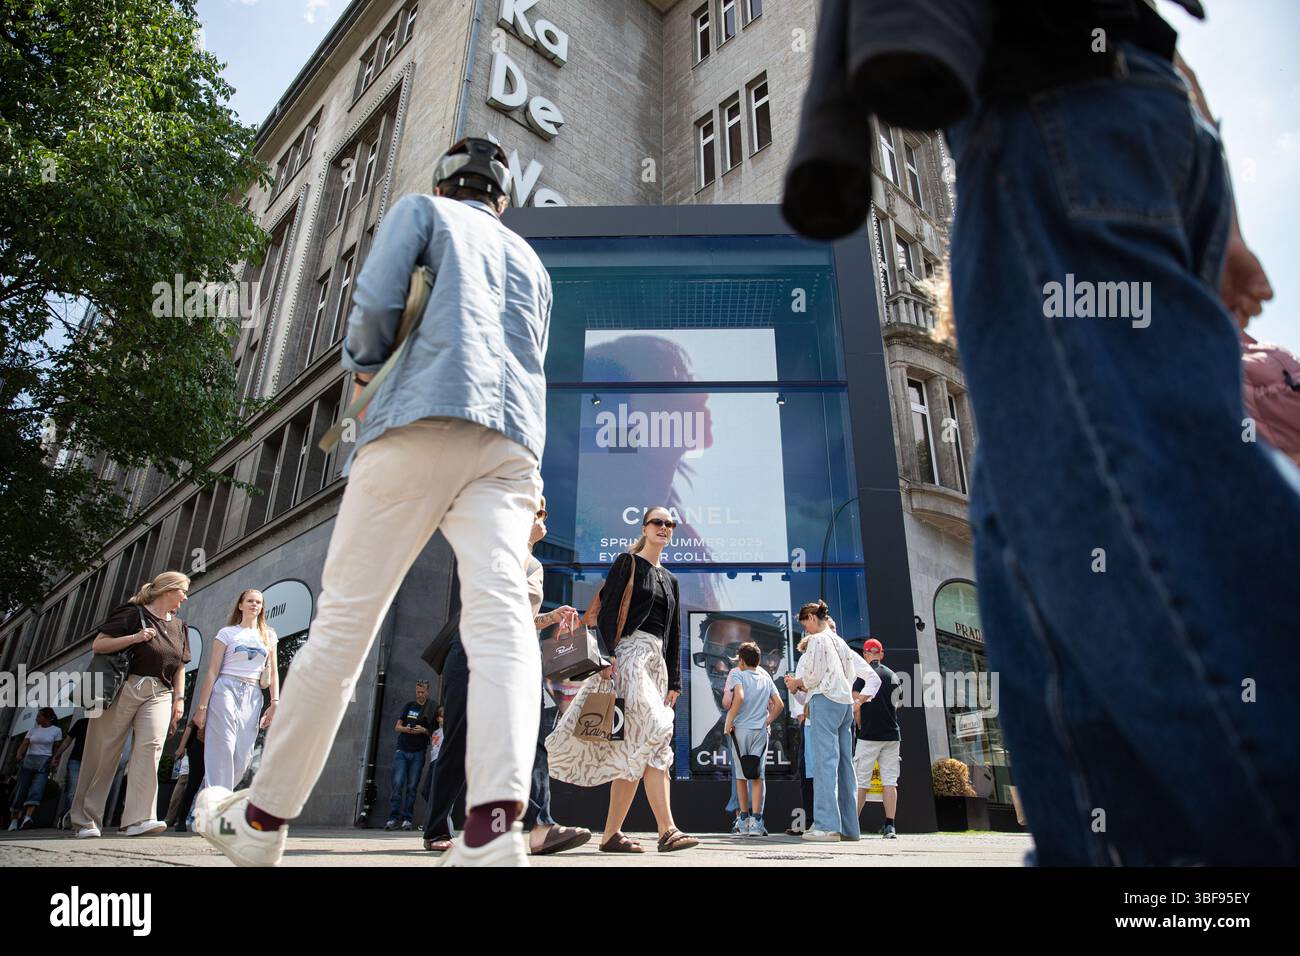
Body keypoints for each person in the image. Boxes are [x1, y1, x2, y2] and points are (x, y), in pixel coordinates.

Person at [785, 0, 1299, 866]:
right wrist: (1227, 220)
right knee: (1030, 536)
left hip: (1050, 119)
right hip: (1130, 115)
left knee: (1117, 486)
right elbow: (1162, 52)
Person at [194, 137, 552, 868]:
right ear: (503, 198)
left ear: (447, 184)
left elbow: (374, 313)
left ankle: (260, 822)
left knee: (345, 626)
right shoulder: (533, 265)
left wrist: (362, 377)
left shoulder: (421, 213)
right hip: (512, 445)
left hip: (416, 420)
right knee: (502, 619)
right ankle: (492, 827)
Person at [422, 503, 591, 856]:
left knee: (529, 738)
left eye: (545, 514)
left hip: (515, 651)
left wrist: (549, 618)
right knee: (460, 740)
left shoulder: (536, 565)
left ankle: (542, 825)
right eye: (536, 512)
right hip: (474, 646)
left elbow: (522, 615)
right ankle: (437, 826)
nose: (542, 520)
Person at [547, 506, 699, 854]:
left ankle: (611, 834)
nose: (664, 528)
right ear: (645, 528)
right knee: (655, 730)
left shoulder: (671, 580)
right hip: (628, 656)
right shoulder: (627, 563)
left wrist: (675, 682)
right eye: (657, 522)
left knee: (641, 746)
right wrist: (607, 655)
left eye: (669, 524)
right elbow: (609, 611)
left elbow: (674, 634)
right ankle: (667, 829)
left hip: (656, 664)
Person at [70, 571, 191, 839]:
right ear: (168, 590)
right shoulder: (132, 613)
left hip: (160, 692)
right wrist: (135, 638)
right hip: (124, 687)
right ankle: (85, 819)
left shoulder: (179, 625)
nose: (185, 595)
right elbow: (99, 645)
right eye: (182, 590)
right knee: (104, 751)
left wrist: (179, 699)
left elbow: (180, 665)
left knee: (151, 750)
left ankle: (138, 819)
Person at [782, 601, 877, 842]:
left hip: (824, 700)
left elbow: (812, 677)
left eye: (806, 624)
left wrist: (795, 683)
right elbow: (852, 675)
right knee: (845, 765)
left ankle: (826, 826)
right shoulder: (840, 642)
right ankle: (849, 827)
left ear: (812, 618)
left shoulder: (817, 640)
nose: (807, 630)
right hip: (845, 703)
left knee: (825, 764)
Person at [194, 589, 279, 793]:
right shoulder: (226, 633)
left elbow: (274, 672)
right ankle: (214, 807)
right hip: (226, 689)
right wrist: (202, 707)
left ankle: (205, 800)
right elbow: (212, 671)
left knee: (242, 758)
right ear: (240, 605)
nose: (254, 605)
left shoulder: (269, 635)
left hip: (253, 694)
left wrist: (274, 702)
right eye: (250, 601)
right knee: (224, 747)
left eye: (258, 602)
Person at [721, 642, 783, 837]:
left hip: (740, 730)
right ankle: (757, 821)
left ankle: (744, 820)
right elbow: (779, 704)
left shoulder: (738, 674)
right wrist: (767, 721)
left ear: (741, 660)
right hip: (760, 731)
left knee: (741, 776)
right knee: (758, 776)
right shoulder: (765, 677)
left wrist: (728, 721)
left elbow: (737, 697)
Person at [852, 638, 901, 838]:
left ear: (865, 655)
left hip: (869, 735)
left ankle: (852, 824)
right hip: (891, 734)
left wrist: (861, 726)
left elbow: (856, 707)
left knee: (861, 782)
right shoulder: (893, 675)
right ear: (881, 654)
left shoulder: (863, 676)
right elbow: (898, 704)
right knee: (890, 781)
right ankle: (890, 826)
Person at [387, 680, 431, 830]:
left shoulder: (431, 708)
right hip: (403, 749)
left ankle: (407, 819)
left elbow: (433, 731)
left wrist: (423, 730)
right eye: (418, 691)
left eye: (422, 692)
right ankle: (392, 818)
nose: (420, 694)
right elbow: (397, 727)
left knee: (412, 787)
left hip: (418, 752)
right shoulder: (409, 706)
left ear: (427, 692)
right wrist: (407, 729)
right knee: (397, 783)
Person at [8, 708, 62, 830]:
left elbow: (57, 747)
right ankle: (14, 821)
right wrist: (19, 753)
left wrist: (55, 760)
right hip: (28, 760)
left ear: (47, 718)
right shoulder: (33, 730)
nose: (37, 718)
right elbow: (24, 743)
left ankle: (27, 817)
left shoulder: (56, 731)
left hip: (44, 761)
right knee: (20, 790)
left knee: (36, 790)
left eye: (39, 716)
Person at [50, 714, 88, 828]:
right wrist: (56, 756)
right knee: (72, 790)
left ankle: (71, 817)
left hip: (91, 762)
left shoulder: (102, 726)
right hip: (76, 760)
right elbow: (67, 741)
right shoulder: (81, 722)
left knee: (86, 791)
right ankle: (70, 817)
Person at [172, 718, 205, 832]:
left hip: (215, 749)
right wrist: (181, 748)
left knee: (206, 786)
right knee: (193, 785)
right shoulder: (205, 707)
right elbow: (190, 727)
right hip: (199, 746)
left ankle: (201, 822)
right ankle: (180, 821)